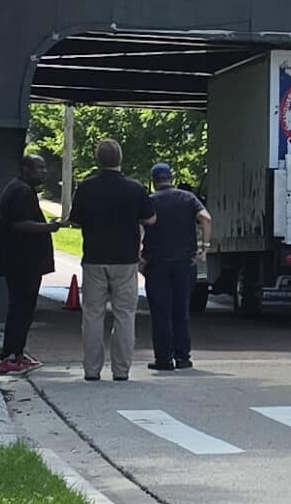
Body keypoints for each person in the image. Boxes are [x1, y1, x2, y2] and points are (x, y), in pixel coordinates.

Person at [66, 138, 155, 381]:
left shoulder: (86, 187)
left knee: (93, 314)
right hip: (126, 259)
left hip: (94, 258)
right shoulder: (135, 188)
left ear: (98, 160)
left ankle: (92, 370)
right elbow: (150, 219)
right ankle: (121, 370)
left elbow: (75, 220)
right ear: (120, 159)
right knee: (125, 314)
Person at [143, 162, 210, 372]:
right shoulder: (188, 198)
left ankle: (163, 359)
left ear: (154, 181)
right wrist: (204, 248)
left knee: (160, 312)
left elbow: (139, 226)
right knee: (181, 310)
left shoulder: (150, 201)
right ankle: (183, 357)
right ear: (171, 178)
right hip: (185, 263)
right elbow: (206, 218)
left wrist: (139, 256)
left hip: (157, 264)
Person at [0, 152, 55, 376]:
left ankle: (17, 354)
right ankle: (10, 356)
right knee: (20, 308)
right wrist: (52, 227)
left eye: (44, 168)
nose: (44, 172)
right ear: (26, 169)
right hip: (23, 263)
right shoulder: (21, 191)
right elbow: (21, 224)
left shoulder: (19, 189)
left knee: (23, 308)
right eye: (40, 168)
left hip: (21, 262)